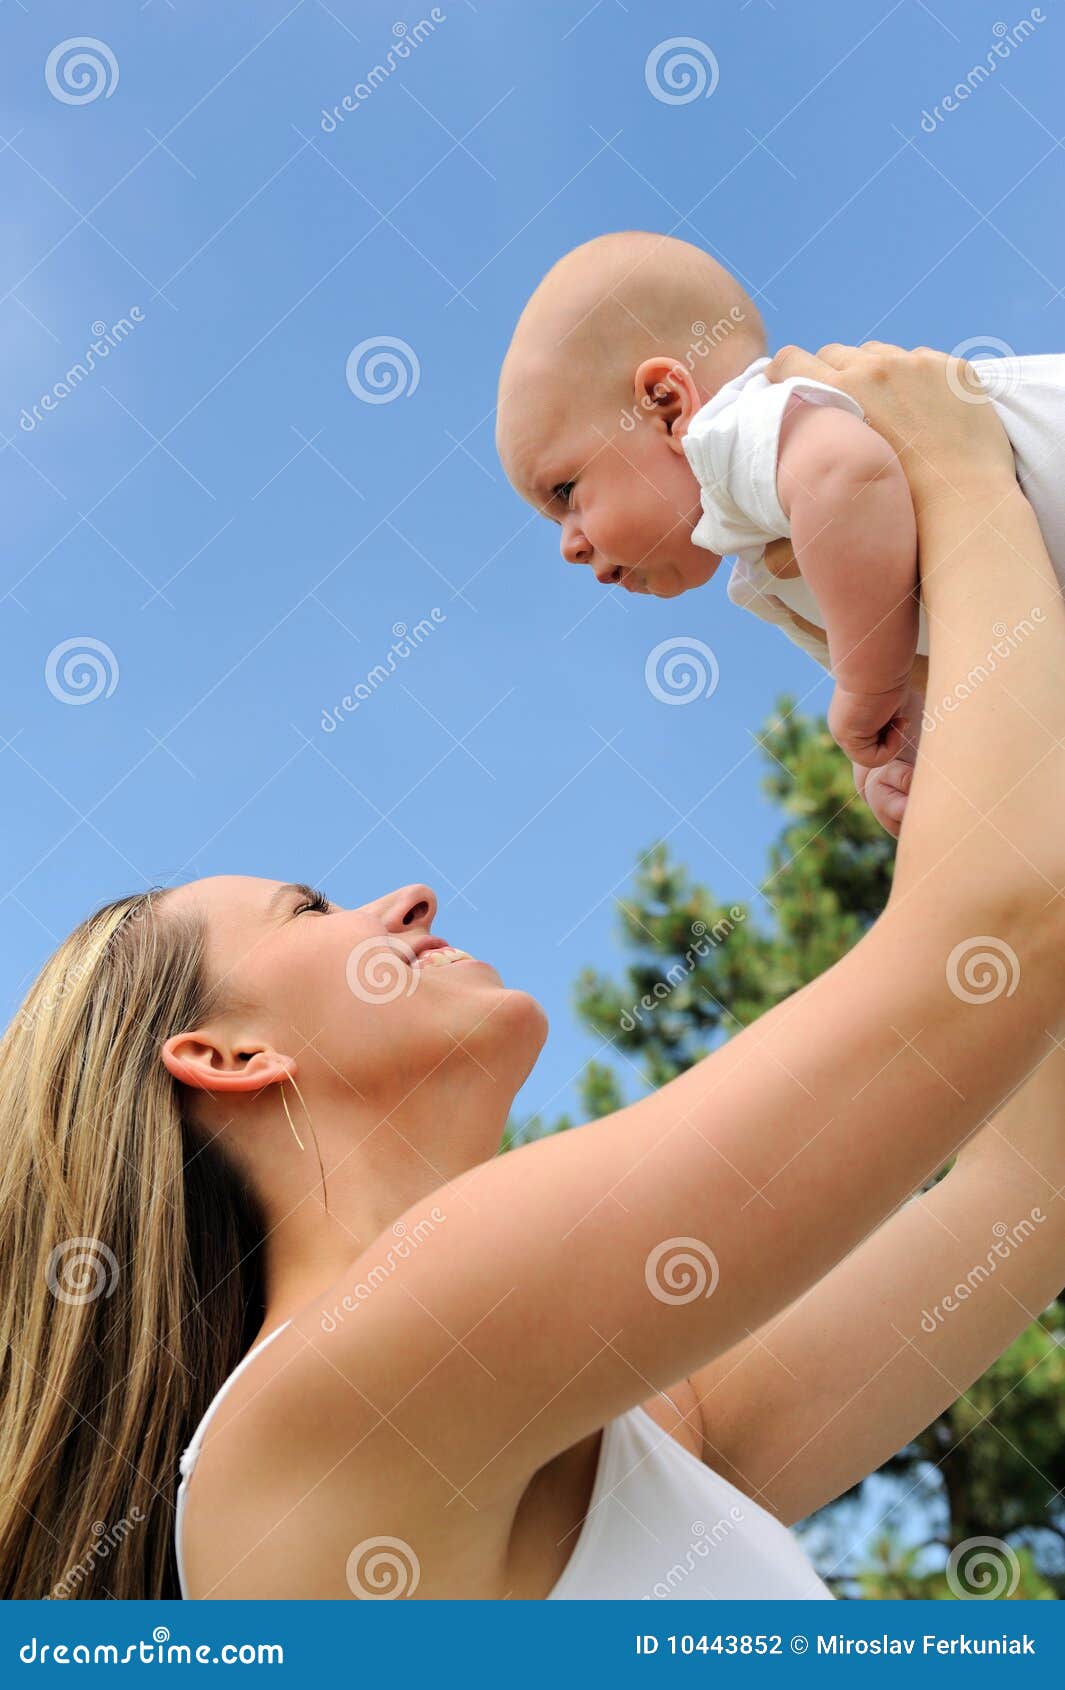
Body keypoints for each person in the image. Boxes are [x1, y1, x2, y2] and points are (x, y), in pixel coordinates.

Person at [3, 345, 1065, 1601]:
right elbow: (1000, 935)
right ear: (224, 1057)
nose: (408, 897)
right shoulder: (337, 1401)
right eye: (309, 909)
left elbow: (1027, 1188)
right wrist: (956, 466)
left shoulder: (647, 1440)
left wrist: (973, 734)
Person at [496, 231, 1065, 837]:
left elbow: (848, 474)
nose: (569, 546)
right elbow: (941, 674)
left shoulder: (736, 432)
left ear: (666, 406)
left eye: (565, 494)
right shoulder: (779, 575)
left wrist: (868, 688)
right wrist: (903, 749)